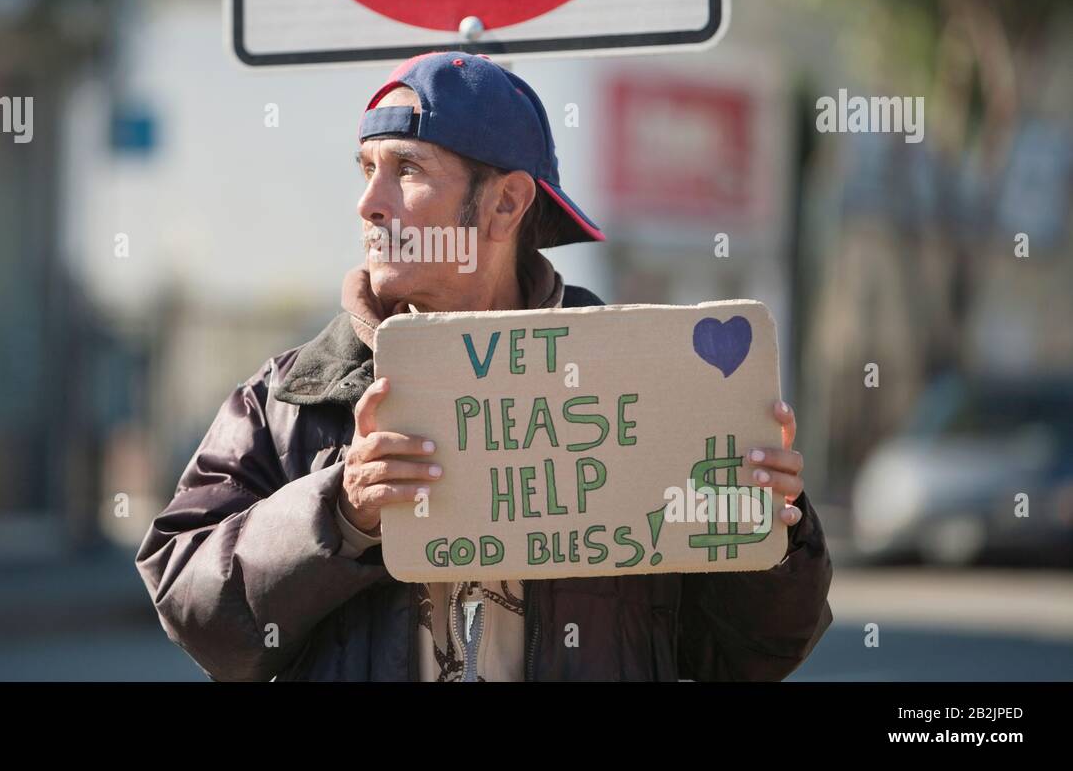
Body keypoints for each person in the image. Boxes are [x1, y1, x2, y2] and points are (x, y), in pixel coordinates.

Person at [135, 51, 833, 681]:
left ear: (506, 203)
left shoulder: (644, 384)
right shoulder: (288, 398)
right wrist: (337, 513)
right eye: (367, 169)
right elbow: (196, 616)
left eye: (407, 171)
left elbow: (752, 653)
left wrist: (772, 530)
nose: (369, 204)